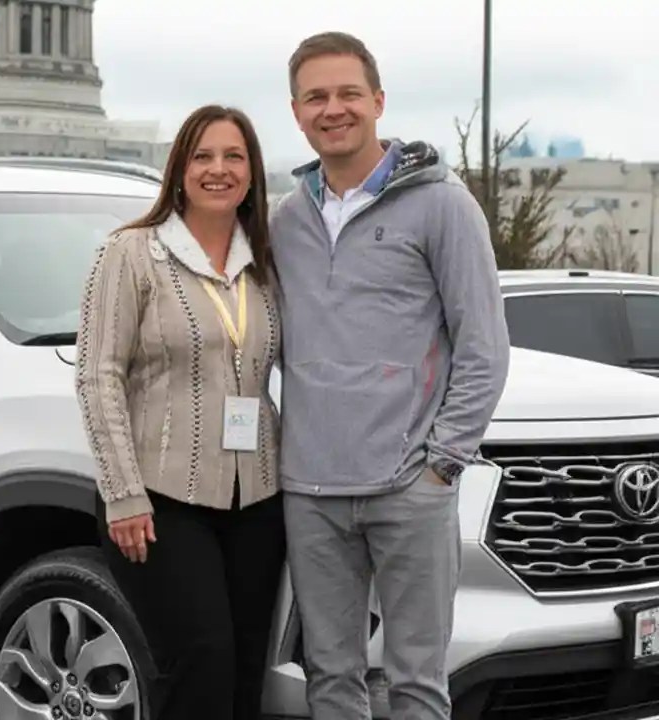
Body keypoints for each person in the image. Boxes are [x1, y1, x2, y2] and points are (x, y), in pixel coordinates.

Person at [270, 31, 510, 720]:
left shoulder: (443, 205)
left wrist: (442, 465)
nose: (333, 108)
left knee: (415, 684)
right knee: (330, 679)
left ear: (378, 101)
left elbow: (484, 346)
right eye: (316, 96)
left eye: (348, 93)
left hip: (410, 490)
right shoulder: (287, 221)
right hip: (310, 492)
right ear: (296, 111)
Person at [75, 104, 284, 719]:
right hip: (160, 500)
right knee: (201, 660)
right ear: (179, 169)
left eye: (233, 157)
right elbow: (97, 375)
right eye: (203, 156)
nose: (218, 169)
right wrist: (122, 493)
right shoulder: (132, 254)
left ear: (252, 172)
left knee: (247, 669)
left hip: (259, 502)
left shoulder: (266, 263)